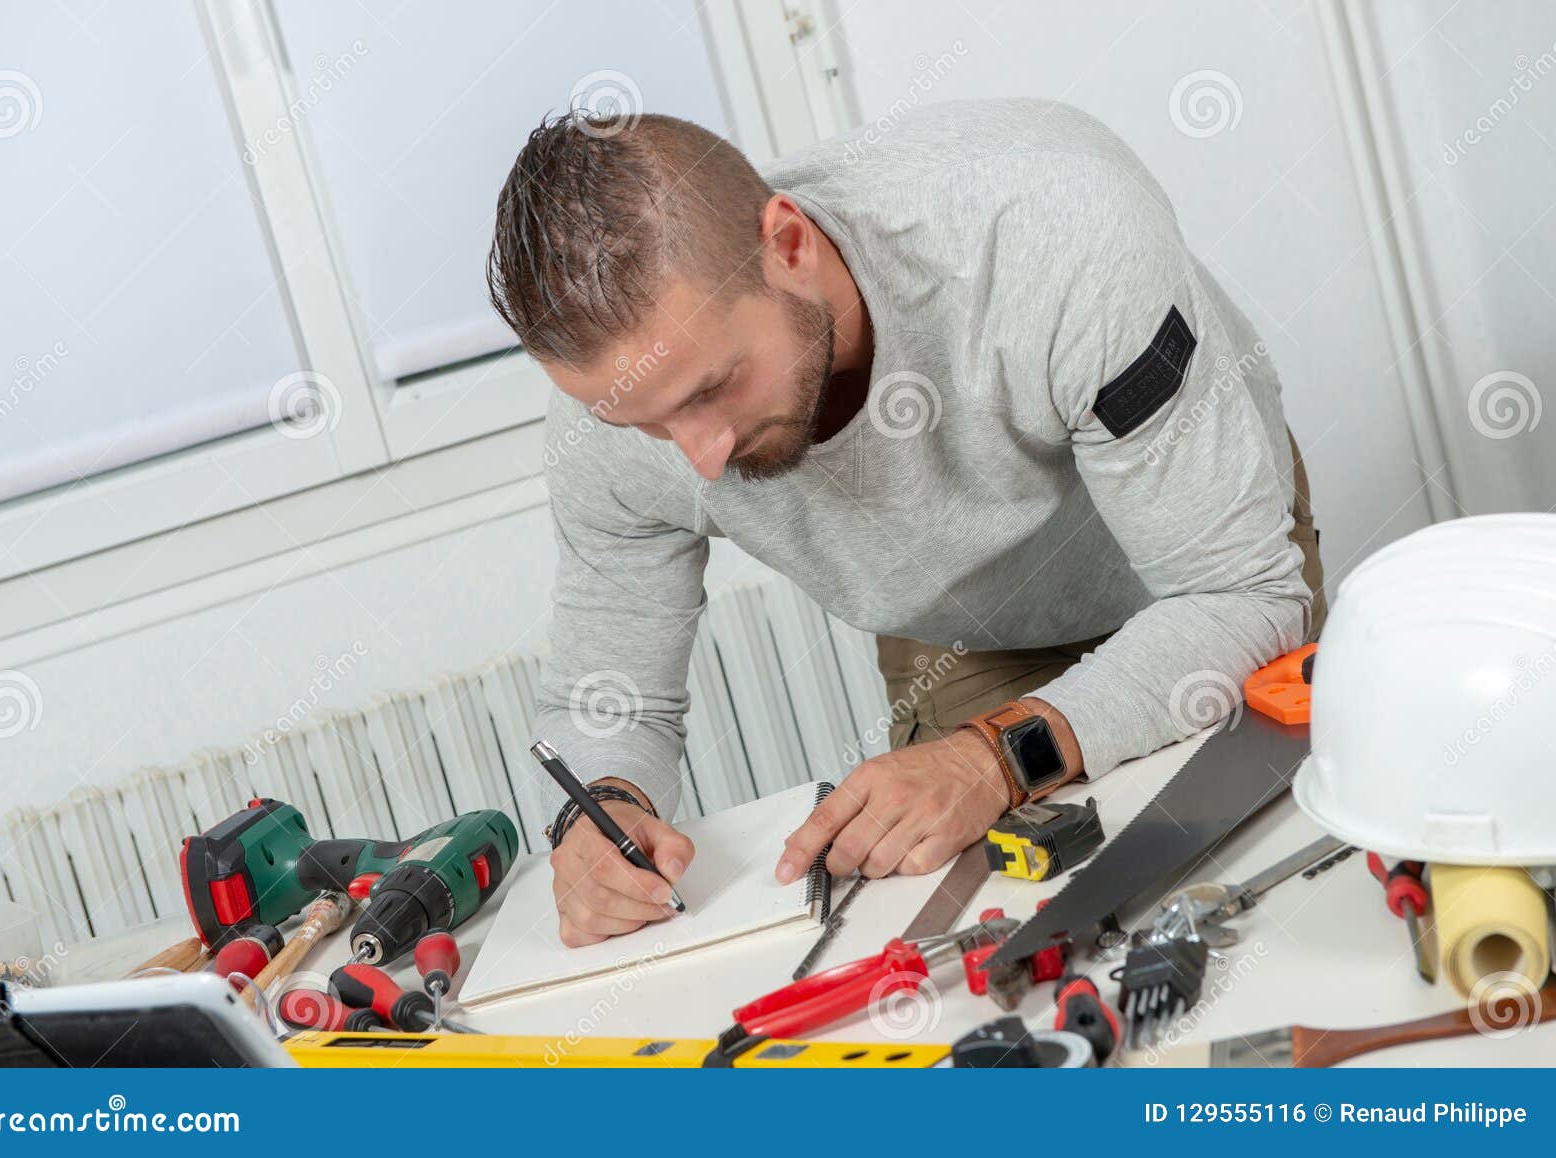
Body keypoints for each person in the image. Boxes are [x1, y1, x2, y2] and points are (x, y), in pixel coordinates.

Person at [486, 98, 1326, 947]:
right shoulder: (608, 421)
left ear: (789, 246)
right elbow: (612, 701)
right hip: (964, 622)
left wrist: (990, 758)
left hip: (1198, 550)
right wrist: (598, 815)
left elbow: (1239, 594)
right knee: (1004, 933)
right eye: (648, 425)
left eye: (712, 388)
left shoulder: (1054, 228)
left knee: (1259, 879)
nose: (698, 457)